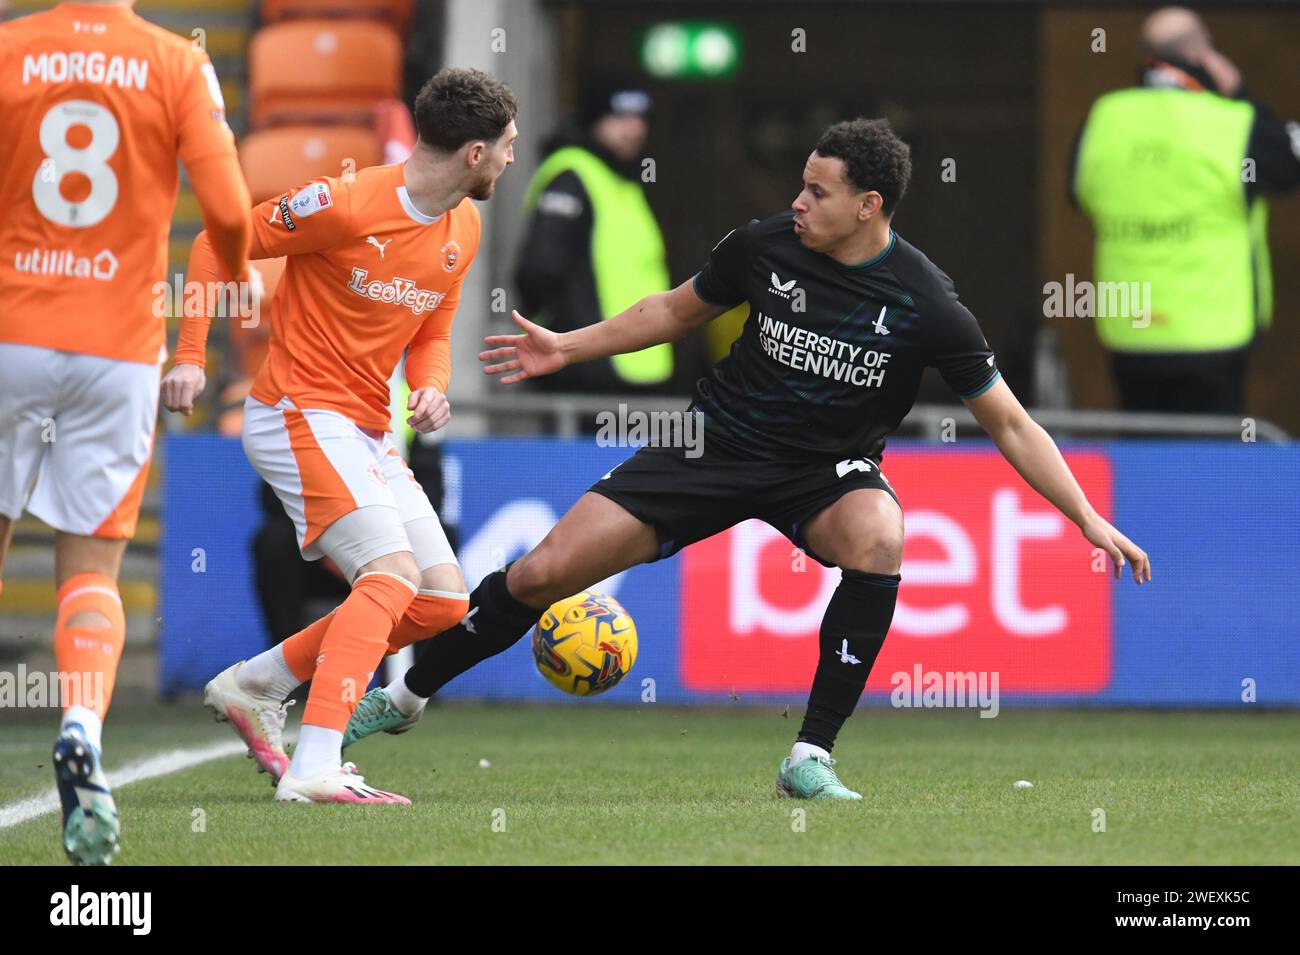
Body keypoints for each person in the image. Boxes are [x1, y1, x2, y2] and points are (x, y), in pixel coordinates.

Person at [342, 118, 1153, 799]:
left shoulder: (927, 302)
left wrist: (1085, 516)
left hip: (824, 472)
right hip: (713, 444)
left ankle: (810, 755)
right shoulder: (765, 246)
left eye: (818, 192)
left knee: (881, 535)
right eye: (800, 185)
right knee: (539, 574)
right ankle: (407, 692)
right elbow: (672, 309)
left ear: (869, 206)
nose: (797, 202)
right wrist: (568, 346)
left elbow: (1010, 424)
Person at [160, 67, 517, 804]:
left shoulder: (465, 227)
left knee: (443, 601)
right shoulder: (348, 202)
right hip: (296, 411)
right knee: (387, 578)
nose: (513, 160)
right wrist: (189, 357)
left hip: (368, 429)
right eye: (508, 146)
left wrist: (432, 385)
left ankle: (260, 681)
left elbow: (432, 330)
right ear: (474, 153)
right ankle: (314, 766)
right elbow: (213, 243)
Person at [0, 0, 251, 863]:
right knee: (93, 560)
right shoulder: (176, 62)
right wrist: (238, 276)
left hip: (9, 334)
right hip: (118, 350)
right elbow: (226, 206)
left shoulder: (8, 49)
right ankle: (78, 723)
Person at [1072, 6, 1300, 414]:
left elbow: (1078, 195)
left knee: (1144, 464)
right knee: (1209, 468)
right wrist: (1240, 92)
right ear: (1202, 53)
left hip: (1131, 334)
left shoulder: (1103, 118)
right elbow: (1289, 165)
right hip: (1213, 336)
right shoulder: (1233, 122)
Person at [514, 71, 673, 394]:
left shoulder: (620, 179)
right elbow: (538, 270)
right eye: (620, 116)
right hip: (588, 373)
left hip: (633, 367)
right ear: (594, 118)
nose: (635, 128)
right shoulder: (573, 175)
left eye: (641, 117)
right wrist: (562, 334)